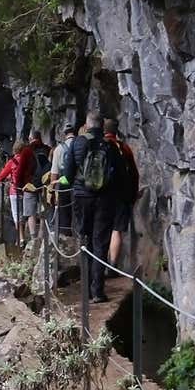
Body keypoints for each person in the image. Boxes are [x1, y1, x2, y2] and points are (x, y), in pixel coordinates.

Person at [57, 114, 117, 302]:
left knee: (85, 240)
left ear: (87, 126)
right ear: (102, 128)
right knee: (100, 242)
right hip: (105, 200)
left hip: (81, 197)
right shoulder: (110, 146)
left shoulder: (77, 144)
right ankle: (97, 291)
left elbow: (67, 174)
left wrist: (62, 188)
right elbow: (119, 176)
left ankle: (86, 289)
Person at [0, 133, 42, 245]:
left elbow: (1, 176)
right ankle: (34, 238)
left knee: (17, 216)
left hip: (14, 191)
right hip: (27, 189)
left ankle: (21, 239)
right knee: (29, 213)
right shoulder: (30, 160)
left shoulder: (12, 162)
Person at [106, 118, 139, 266]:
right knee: (116, 230)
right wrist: (133, 195)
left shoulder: (98, 146)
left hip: (100, 194)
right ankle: (112, 264)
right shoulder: (124, 148)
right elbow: (134, 173)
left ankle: (98, 265)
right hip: (121, 196)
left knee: (101, 228)